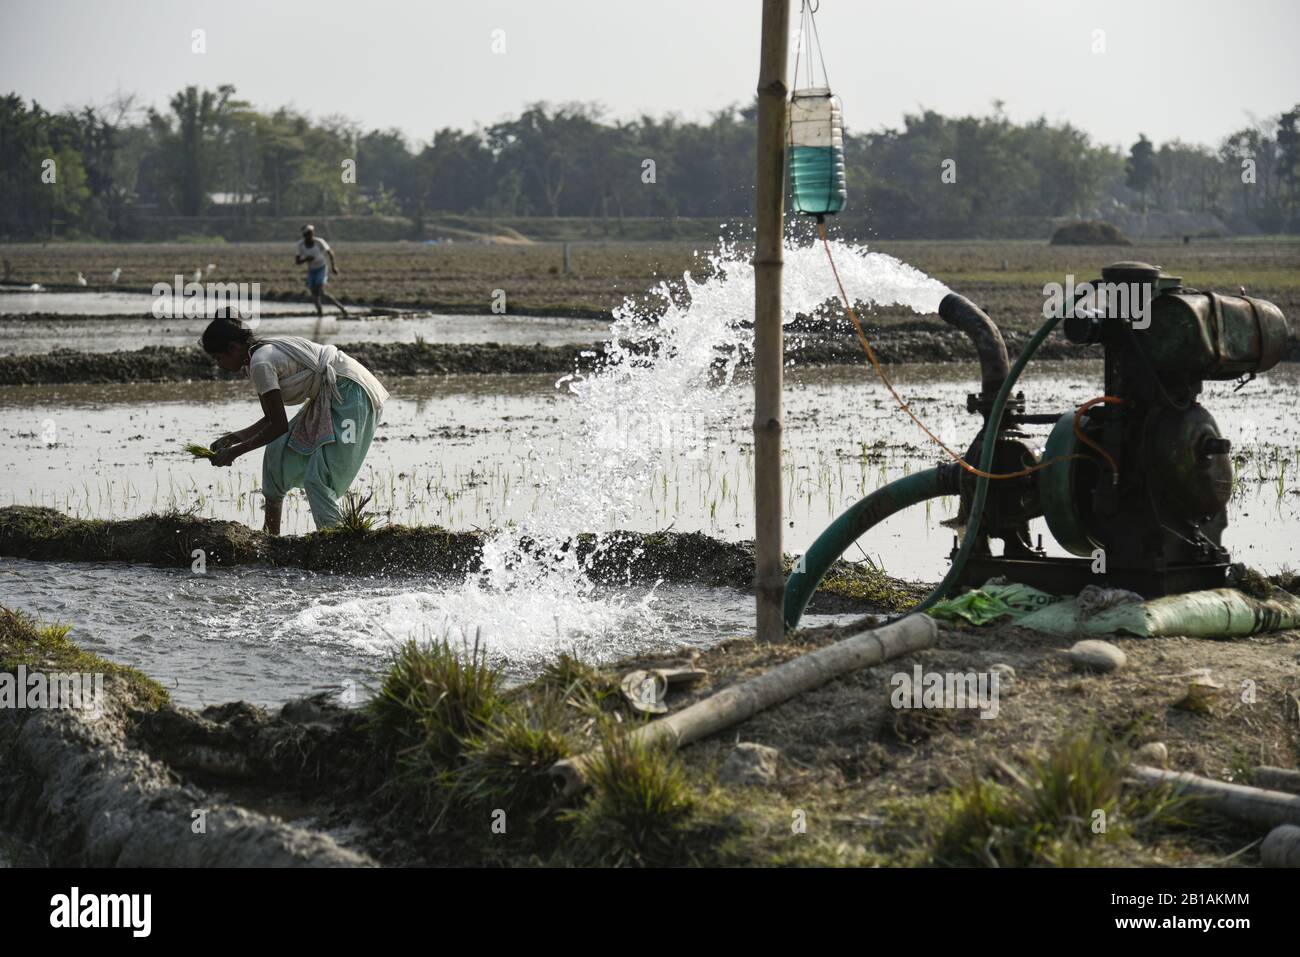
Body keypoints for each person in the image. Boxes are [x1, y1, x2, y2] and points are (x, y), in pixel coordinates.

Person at [200, 315, 389, 534]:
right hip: (329, 395)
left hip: (352, 394)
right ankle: (272, 537)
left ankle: (337, 544)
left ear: (233, 348)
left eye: (217, 358)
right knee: (277, 452)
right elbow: (271, 419)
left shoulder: (261, 362)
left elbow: (278, 425)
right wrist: (235, 438)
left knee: (318, 479)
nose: (218, 365)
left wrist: (235, 453)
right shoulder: (258, 357)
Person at [295, 224, 348, 318]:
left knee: (320, 291)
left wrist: (333, 266)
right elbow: (297, 261)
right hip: (311, 269)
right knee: (313, 293)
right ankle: (320, 313)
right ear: (304, 235)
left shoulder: (319, 242)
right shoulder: (300, 245)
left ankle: (341, 308)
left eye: (311, 234)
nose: (310, 236)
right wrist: (306, 260)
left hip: (321, 268)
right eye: (307, 234)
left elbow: (330, 253)